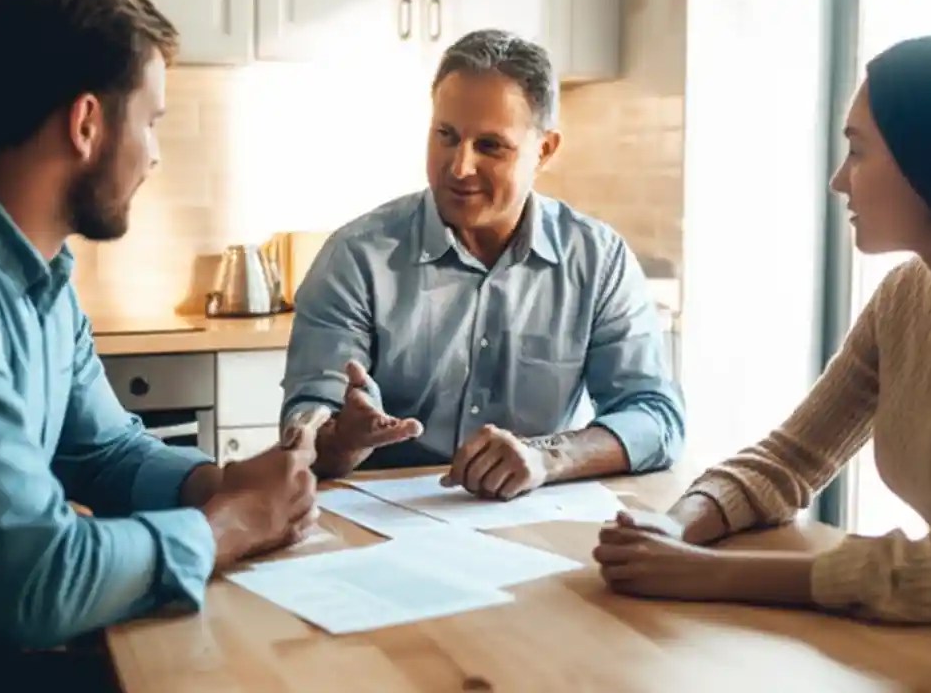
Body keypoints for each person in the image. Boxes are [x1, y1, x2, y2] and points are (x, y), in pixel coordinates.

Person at [0, 0, 320, 688]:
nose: (155, 155)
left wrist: (218, 482)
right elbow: (40, 581)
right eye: (152, 120)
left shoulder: (38, 268)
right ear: (88, 123)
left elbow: (102, 451)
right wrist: (231, 525)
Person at [595, 27, 931, 638]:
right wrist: (675, 527)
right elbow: (788, 460)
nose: (838, 180)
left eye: (857, 150)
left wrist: (707, 574)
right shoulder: (908, 293)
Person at [280, 29, 684, 500]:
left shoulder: (598, 261)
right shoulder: (356, 258)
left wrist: (548, 456)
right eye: (446, 136)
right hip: (379, 530)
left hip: (531, 526)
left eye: (490, 146)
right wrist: (341, 438)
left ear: (545, 150)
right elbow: (306, 428)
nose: (459, 167)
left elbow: (656, 416)